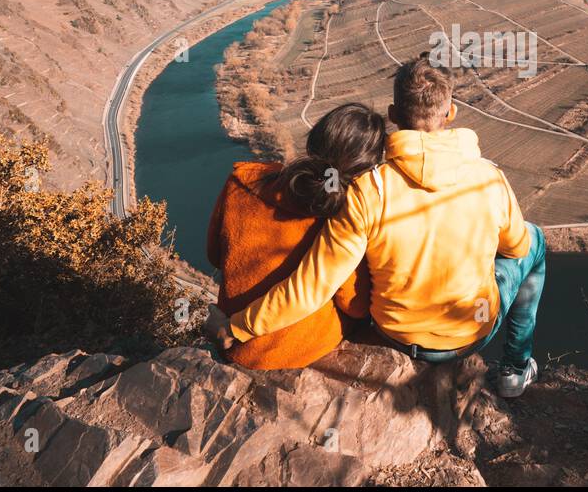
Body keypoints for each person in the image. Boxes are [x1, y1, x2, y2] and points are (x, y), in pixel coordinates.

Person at [206, 56, 547, 398]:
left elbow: (313, 286)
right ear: (451, 112)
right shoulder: (489, 178)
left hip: (394, 336)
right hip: (468, 334)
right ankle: (515, 371)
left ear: (394, 115)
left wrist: (238, 327)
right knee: (535, 241)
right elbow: (515, 248)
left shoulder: (367, 191)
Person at [204, 102, 384, 370]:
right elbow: (353, 304)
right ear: (364, 169)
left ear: (315, 141)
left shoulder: (241, 180)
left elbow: (215, 256)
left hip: (234, 340)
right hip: (286, 349)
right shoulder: (343, 217)